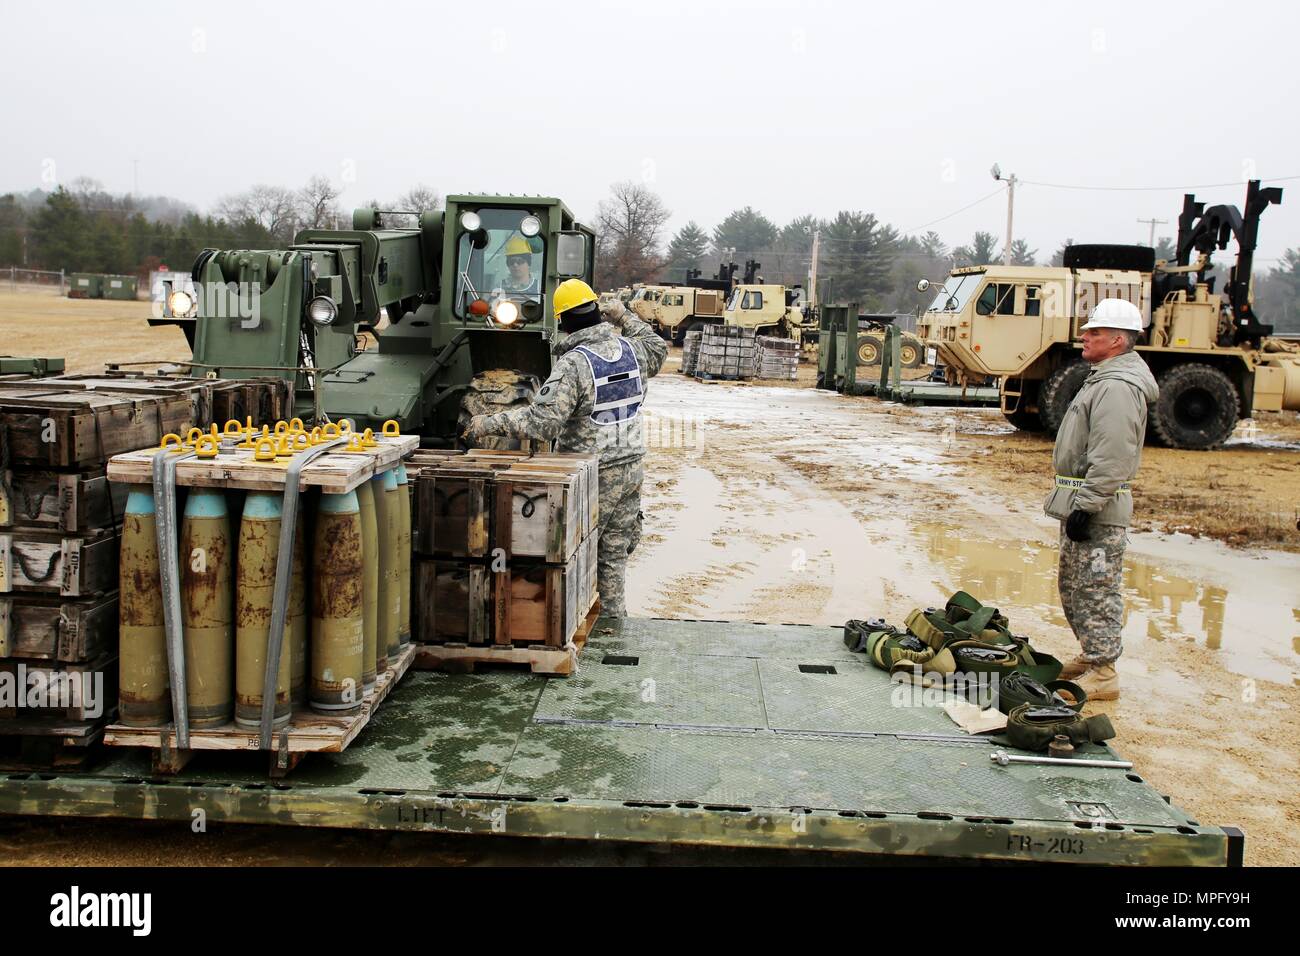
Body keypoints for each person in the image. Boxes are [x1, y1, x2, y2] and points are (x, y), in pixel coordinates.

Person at [463, 278, 667, 616]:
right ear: (597, 312)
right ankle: (615, 625)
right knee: (614, 554)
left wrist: (486, 424)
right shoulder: (631, 349)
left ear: (562, 321)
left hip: (594, 474)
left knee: (575, 557)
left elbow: (544, 423)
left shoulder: (574, 363)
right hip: (632, 469)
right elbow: (657, 346)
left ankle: (570, 626)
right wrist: (624, 316)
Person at [1045, 298, 1159, 700]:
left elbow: (1112, 456)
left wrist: (1087, 505)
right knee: (1075, 585)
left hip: (1097, 509)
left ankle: (1105, 672)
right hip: (1084, 504)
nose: (1084, 336)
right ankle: (1093, 655)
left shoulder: (1116, 387)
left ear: (1116, 340)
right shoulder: (1102, 378)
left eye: (1093, 331)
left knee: (1095, 587)